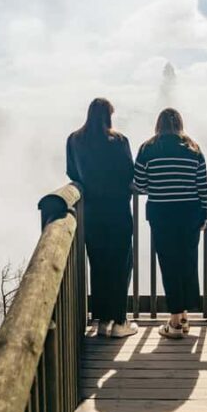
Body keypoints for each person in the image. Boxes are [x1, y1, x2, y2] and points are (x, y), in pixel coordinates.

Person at [66, 98, 138, 338]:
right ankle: (119, 322)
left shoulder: (74, 139)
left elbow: (71, 172)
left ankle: (101, 322)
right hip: (117, 210)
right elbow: (130, 171)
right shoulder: (119, 141)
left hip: (92, 212)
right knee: (120, 264)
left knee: (98, 266)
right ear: (109, 115)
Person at [134, 108, 207, 339]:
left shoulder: (148, 148)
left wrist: (156, 188)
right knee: (188, 262)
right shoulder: (193, 148)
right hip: (190, 212)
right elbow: (202, 186)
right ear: (180, 124)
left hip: (162, 213)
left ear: (158, 124)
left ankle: (175, 323)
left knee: (169, 264)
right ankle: (184, 315)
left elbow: (139, 182)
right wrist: (204, 214)